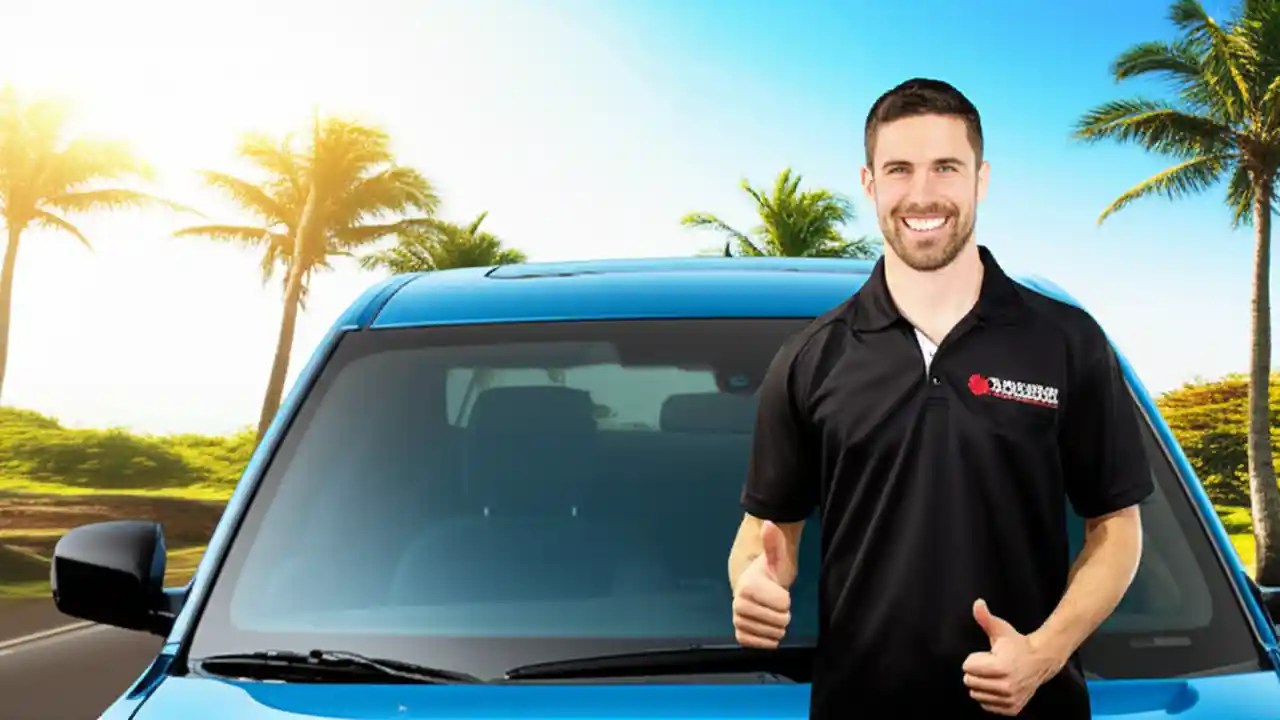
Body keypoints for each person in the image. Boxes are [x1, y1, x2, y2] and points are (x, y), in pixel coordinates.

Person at [727, 77, 1152, 719]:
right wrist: (754, 581)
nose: (921, 194)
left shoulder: (1066, 342)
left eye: (945, 168)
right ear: (869, 184)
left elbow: (1117, 529)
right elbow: (766, 532)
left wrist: (1043, 654)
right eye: (899, 169)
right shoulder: (810, 360)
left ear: (980, 179)